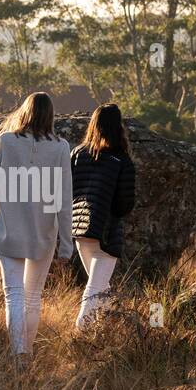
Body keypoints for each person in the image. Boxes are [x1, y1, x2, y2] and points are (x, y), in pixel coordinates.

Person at [0, 92, 73, 356]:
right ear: (50, 116)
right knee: (33, 296)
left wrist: (3, 213)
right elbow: (64, 199)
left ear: (24, 111)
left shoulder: (6, 141)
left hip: (10, 232)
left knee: (14, 295)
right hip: (43, 235)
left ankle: (19, 353)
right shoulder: (60, 147)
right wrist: (66, 245)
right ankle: (27, 352)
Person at [70, 104, 136, 328]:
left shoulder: (78, 154)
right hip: (106, 234)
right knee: (95, 290)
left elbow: (68, 191)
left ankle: (112, 331)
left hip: (80, 231)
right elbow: (124, 205)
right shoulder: (122, 160)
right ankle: (80, 335)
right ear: (118, 127)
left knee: (101, 288)